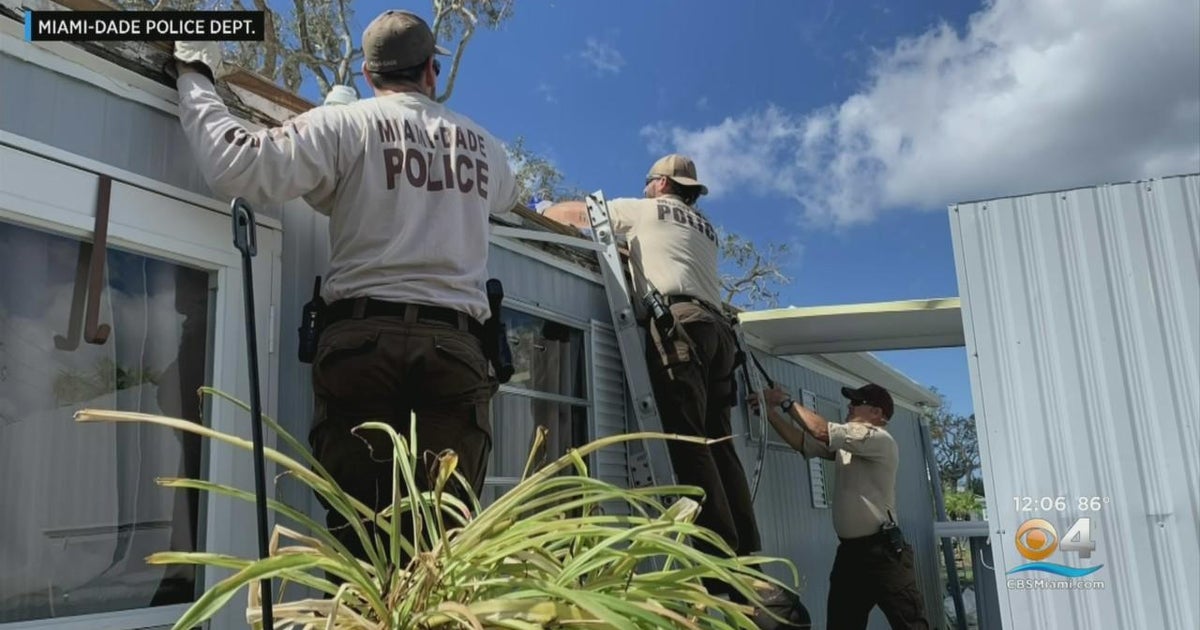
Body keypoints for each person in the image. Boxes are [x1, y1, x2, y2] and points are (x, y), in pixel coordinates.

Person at [168, 9, 519, 564]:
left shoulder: (345, 126)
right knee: (442, 544)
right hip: (455, 351)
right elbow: (501, 198)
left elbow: (238, 164)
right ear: (432, 71)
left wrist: (194, 76)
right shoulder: (486, 148)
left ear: (366, 72)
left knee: (361, 539)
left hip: (363, 346)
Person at [542, 155, 810, 628]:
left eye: (648, 182)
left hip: (681, 327)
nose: (645, 188)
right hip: (718, 333)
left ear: (662, 183)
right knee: (722, 447)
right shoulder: (704, 228)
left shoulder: (649, 210)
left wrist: (542, 205)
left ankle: (718, 566)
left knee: (691, 446)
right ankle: (748, 555)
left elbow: (580, 215)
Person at [750, 383, 931, 630]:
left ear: (877, 414)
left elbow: (821, 431)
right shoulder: (848, 448)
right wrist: (769, 413)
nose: (849, 405)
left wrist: (785, 402)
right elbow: (802, 441)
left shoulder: (878, 439)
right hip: (851, 555)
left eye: (857, 403)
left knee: (911, 625)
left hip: (883, 553)